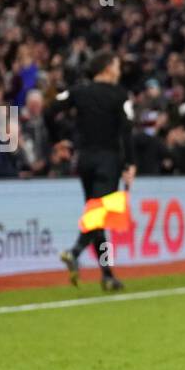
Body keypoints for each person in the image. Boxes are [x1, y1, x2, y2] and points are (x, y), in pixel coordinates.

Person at [55, 51, 135, 291]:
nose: (119, 70)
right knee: (100, 214)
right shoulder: (120, 95)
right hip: (108, 160)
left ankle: (107, 275)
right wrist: (130, 163)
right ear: (108, 67)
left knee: (96, 215)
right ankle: (75, 251)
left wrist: (61, 139)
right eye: (117, 65)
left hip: (84, 160)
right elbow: (127, 131)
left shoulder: (79, 90)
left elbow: (52, 108)